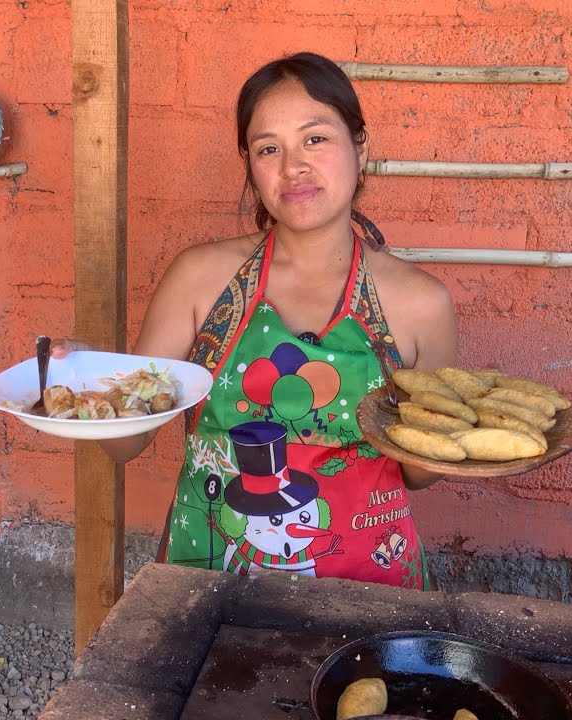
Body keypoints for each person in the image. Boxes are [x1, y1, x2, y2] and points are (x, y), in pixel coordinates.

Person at [56, 52, 457, 589]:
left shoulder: (421, 304)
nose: (293, 167)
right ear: (250, 164)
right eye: (270, 148)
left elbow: (420, 473)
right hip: (211, 579)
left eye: (315, 139)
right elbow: (127, 443)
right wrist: (85, 381)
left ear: (360, 146)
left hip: (370, 588)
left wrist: (465, 432)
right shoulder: (200, 279)